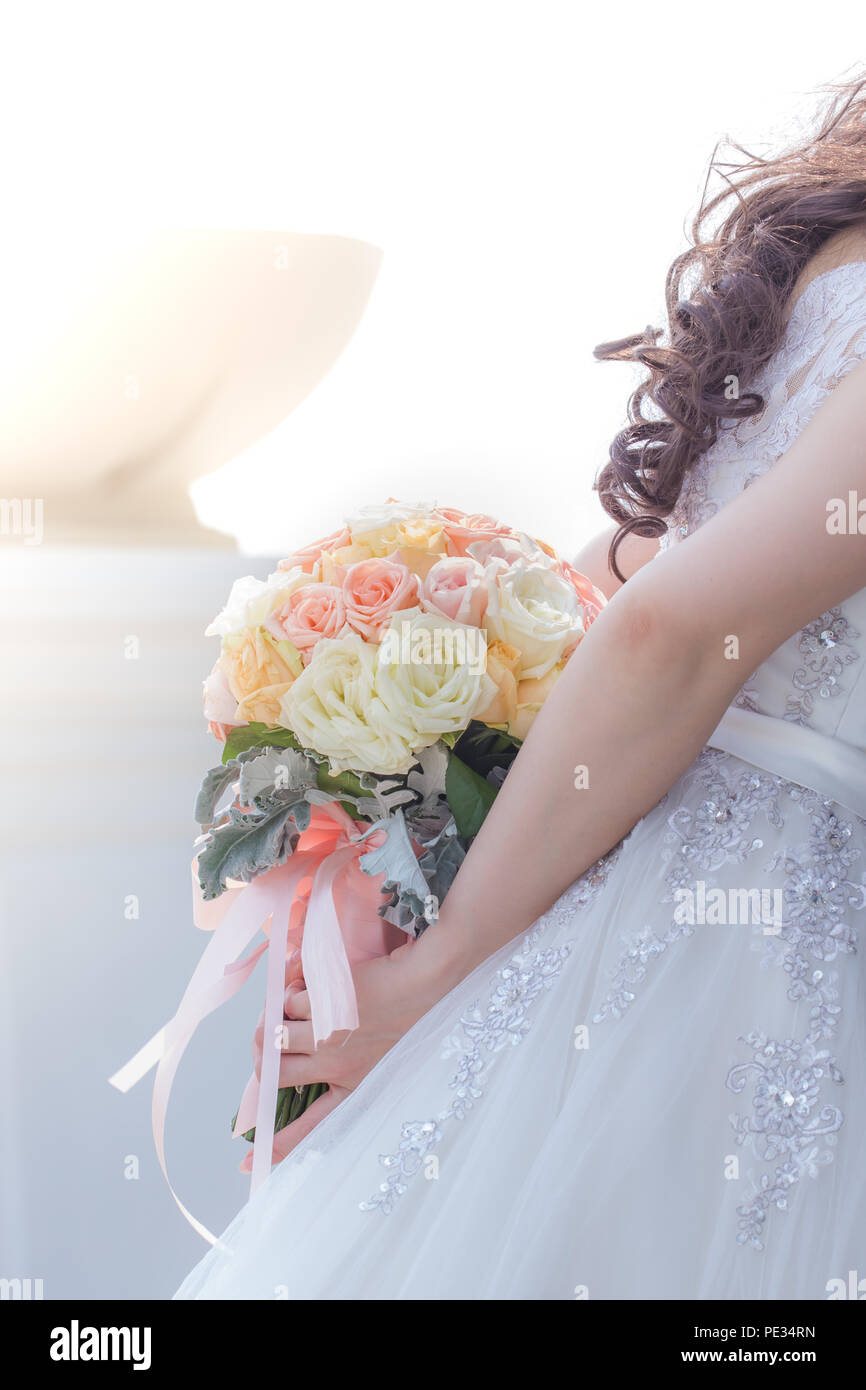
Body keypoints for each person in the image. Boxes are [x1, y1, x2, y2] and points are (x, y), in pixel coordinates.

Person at [176, 77, 866, 1299]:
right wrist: (430, 970)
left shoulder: (826, 252)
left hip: (623, 904)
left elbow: (630, 577)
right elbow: (666, 628)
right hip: (750, 938)